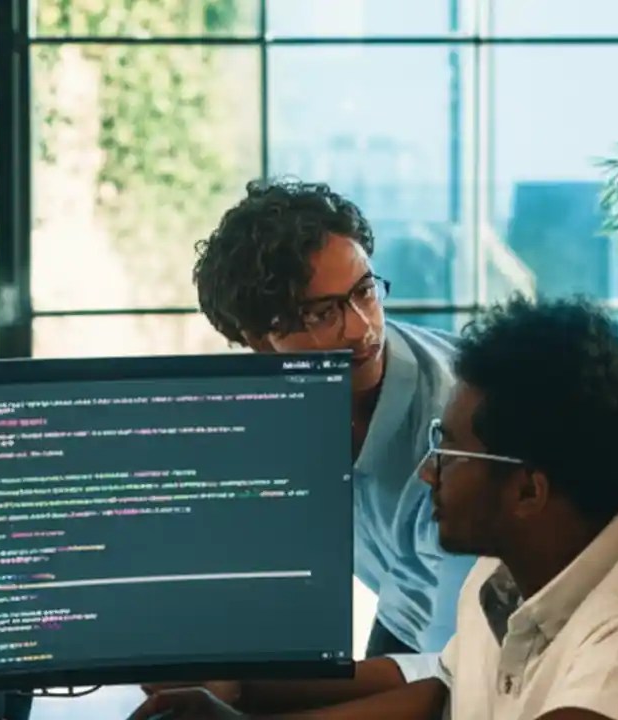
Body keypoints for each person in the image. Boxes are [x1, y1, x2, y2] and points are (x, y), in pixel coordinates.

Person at [132, 297, 618, 720]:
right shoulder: (507, 578)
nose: (426, 470)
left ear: (529, 491)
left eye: (451, 449)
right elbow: (443, 692)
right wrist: (240, 702)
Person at [192, 179, 472, 667]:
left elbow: (452, 666)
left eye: (365, 292)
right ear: (261, 339)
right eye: (323, 313)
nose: (362, 328)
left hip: (491, 630)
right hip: (404, 607)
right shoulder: (270, 406)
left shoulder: (454, 417)